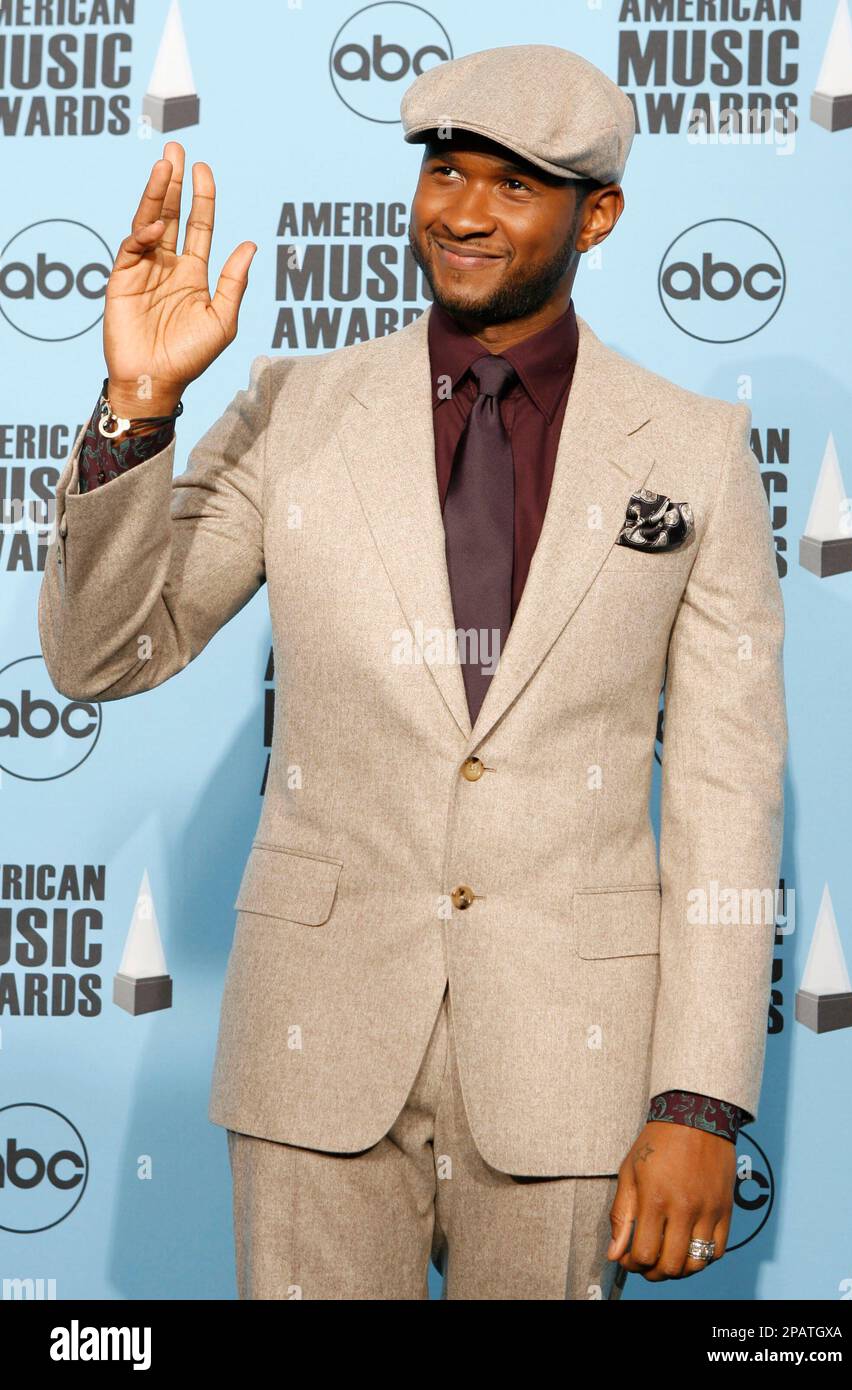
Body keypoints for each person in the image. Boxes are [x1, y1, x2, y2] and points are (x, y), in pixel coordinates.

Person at [38, 44, 787, 1300]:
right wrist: (137, 406)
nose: (464, 212)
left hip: (571, 1062)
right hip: (314, 1048)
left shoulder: (696, 451)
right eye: (448, 170)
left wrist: (700, 1100)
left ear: (595, 216)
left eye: (515, 184)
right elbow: (101, 654)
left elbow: (726, 789)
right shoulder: (295, 404)